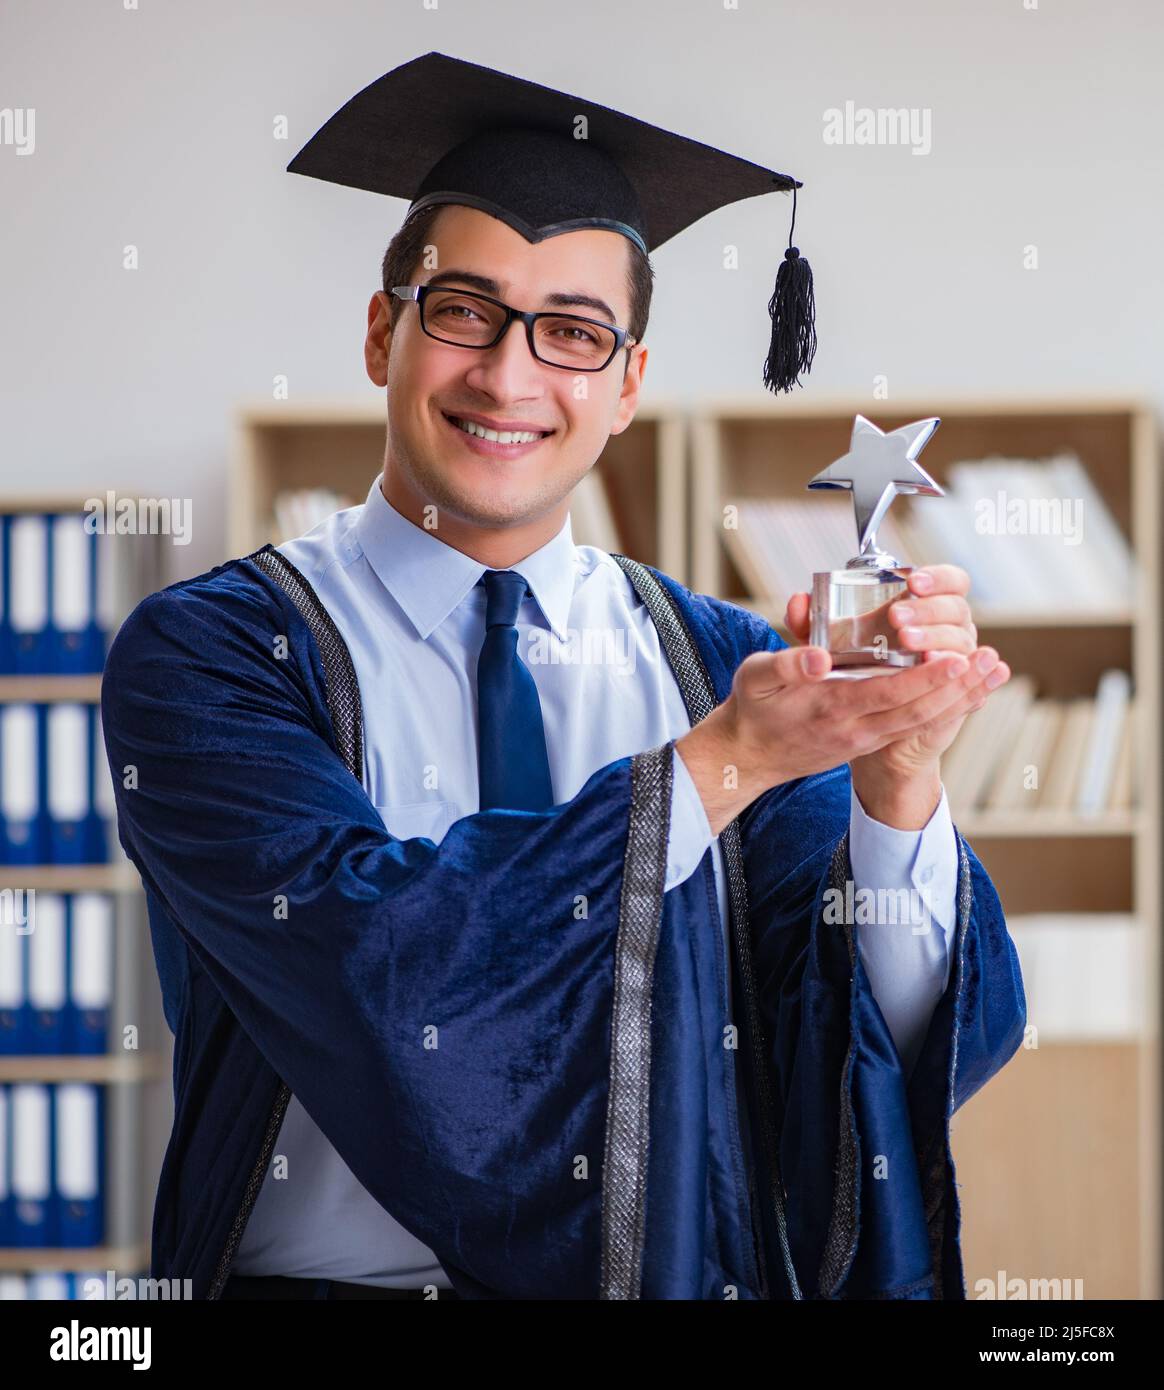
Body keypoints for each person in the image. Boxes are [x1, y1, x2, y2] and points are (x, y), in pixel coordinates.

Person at [100, 52, 1026, 1301]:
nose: (508, 375)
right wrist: (718, 770)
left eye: (575, 334)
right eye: (462, 310)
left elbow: (871, 1046)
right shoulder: (213, 653)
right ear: (381, 333)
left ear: (629, 384)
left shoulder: (720, 663)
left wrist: (897, 792)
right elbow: (379, 976)